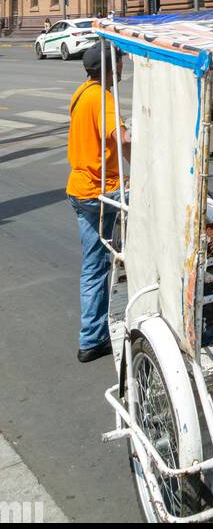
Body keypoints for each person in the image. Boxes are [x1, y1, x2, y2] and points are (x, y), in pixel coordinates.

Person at [67, 43, 130, 362]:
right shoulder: (102, 97)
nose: (122, 67)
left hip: (80, 189)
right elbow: (121, 137)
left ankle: (91, 339)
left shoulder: (81, 93)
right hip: (102, 191)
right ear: (109, 67)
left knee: (93, 266)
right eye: (118, 62)